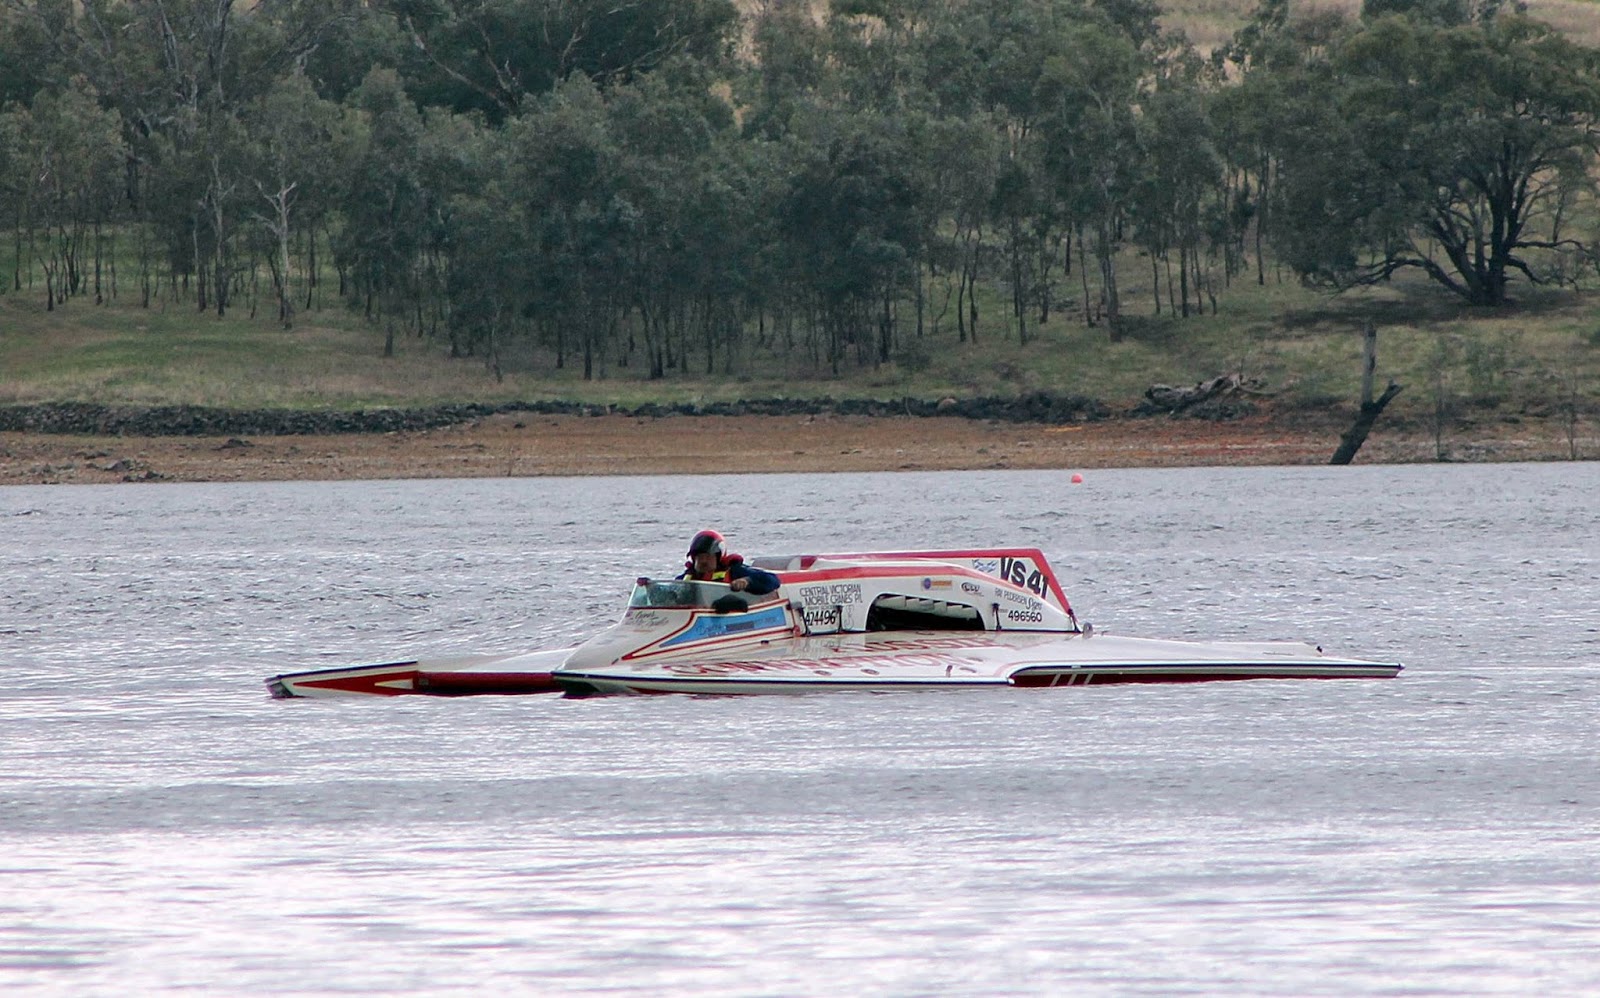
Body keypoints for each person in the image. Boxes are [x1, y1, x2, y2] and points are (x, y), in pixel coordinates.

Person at [678, 529, 781, 595]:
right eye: (700, 557)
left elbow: (772, 580)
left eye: (708, 557)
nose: (704, 561)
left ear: (718, 556)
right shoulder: (686, 578)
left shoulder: (734, 571)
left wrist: (746, 582)